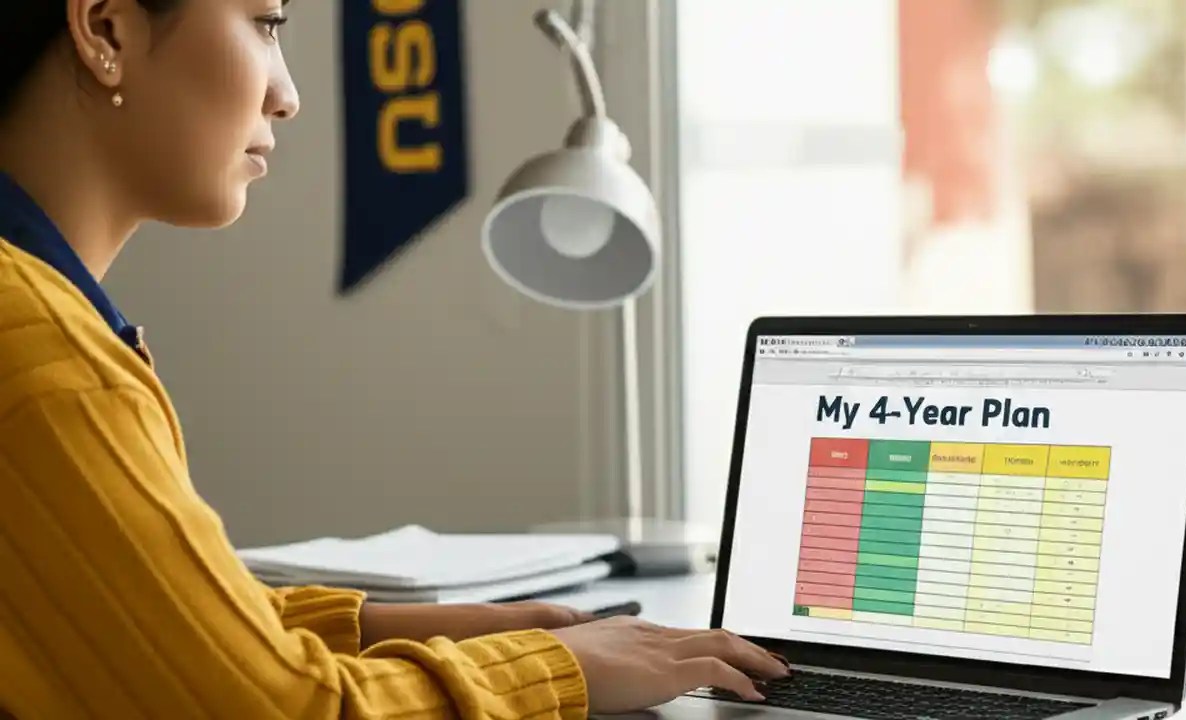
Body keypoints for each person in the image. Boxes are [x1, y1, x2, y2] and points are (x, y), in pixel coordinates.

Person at [0, 1, 789, 717]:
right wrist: (552, 669)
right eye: (266, 24)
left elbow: (152, 631)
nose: (287, 93)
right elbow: (280, 711)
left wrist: (394, 625)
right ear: (105, 29)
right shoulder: (46, 360)